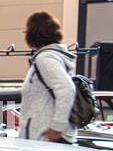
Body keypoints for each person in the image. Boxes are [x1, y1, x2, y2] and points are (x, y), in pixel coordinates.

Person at [18, 11, 76, 143]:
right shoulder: (52, 57)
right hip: (47, 140)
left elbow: (67, 89)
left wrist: (56, 128)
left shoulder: (46, 58)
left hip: (45, 141)